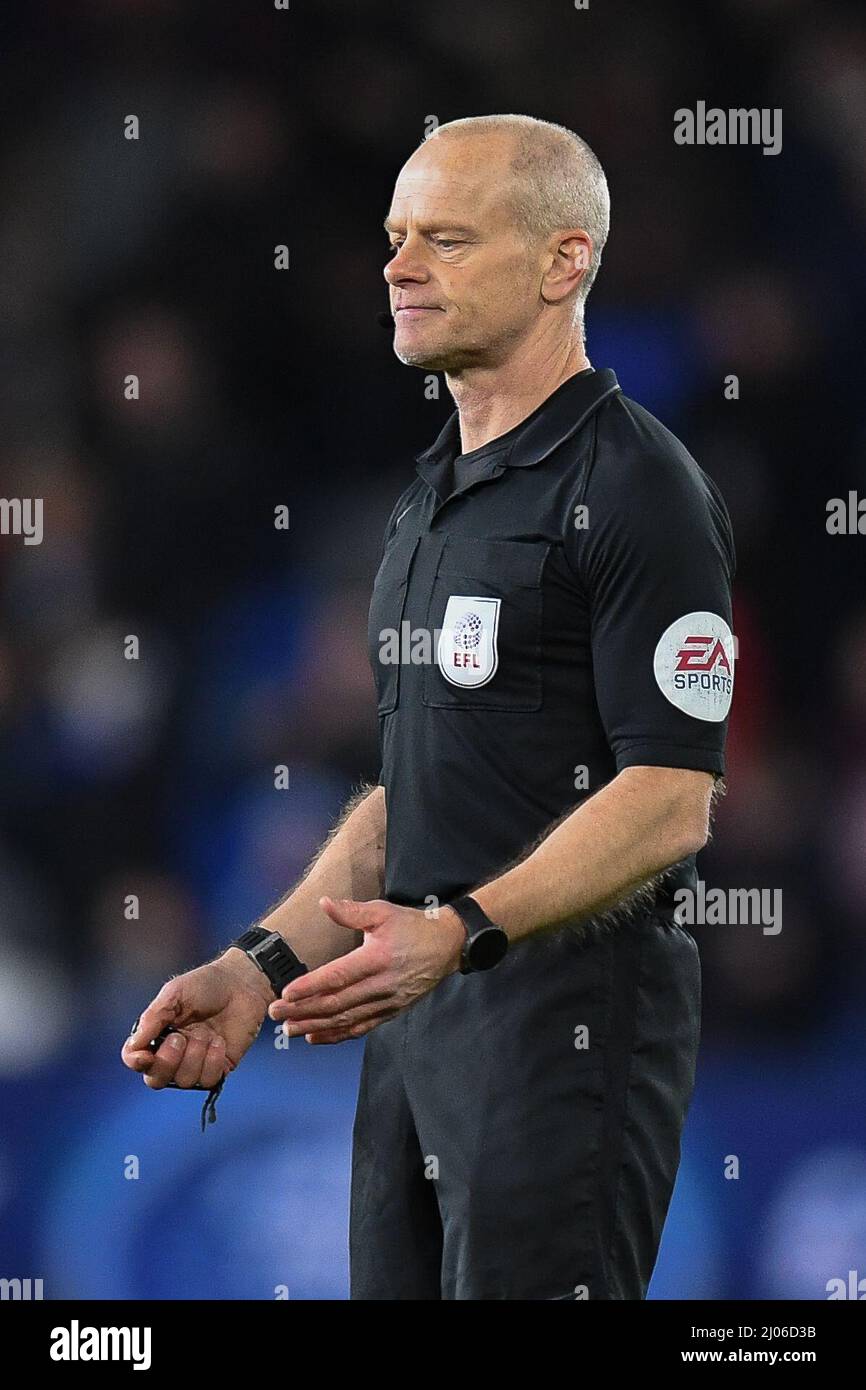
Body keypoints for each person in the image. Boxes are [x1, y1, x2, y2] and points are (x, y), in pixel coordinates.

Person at [122, 113, 735, 1300]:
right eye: (397, 237)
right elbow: (417, 791)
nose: (399, 265)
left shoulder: (637, 487)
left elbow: (669, 798)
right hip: (418, 1026)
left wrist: (459, 929)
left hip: (566, 1025)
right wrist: (257, 965)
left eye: (446, 239)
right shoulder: (425, 502)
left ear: (564, 262)